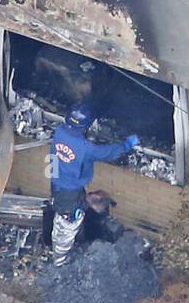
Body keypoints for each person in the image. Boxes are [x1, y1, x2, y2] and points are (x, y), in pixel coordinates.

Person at [49, 104, 138, 265]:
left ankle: (68, 246)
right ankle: (60, 261)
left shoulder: (59, 132)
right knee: (67, 224)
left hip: (58, 182)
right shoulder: (85, 148)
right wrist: (127, 145)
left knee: (70, 210)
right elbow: (107, 152)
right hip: (69, 192)